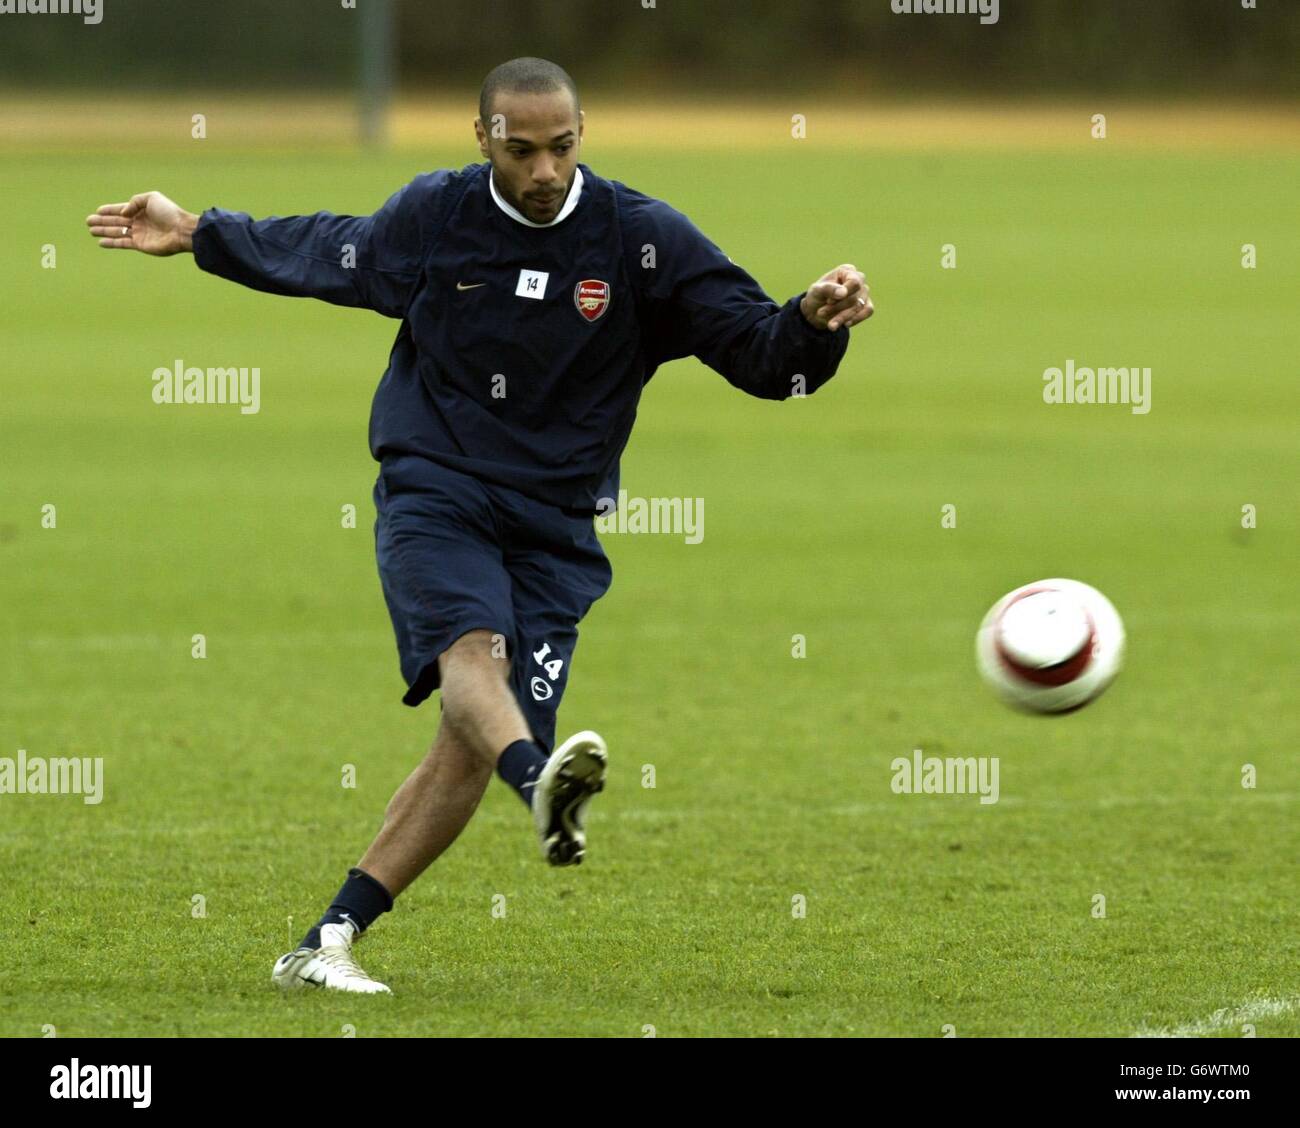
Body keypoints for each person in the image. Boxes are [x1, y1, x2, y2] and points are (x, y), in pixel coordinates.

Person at [86, 57, 873, 994]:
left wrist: (814, 328)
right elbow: (329, 250)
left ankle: (325, 943)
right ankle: (539, 781)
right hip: (440, 486)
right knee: (475, 665)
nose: (544, 171)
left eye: (563, 147)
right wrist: (200, 232)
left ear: (584, 134)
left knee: (471, 743)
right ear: (483, 138)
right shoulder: (439, 217)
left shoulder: (640, 239)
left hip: (557, 527)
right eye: (522, 149)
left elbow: (753, 347)